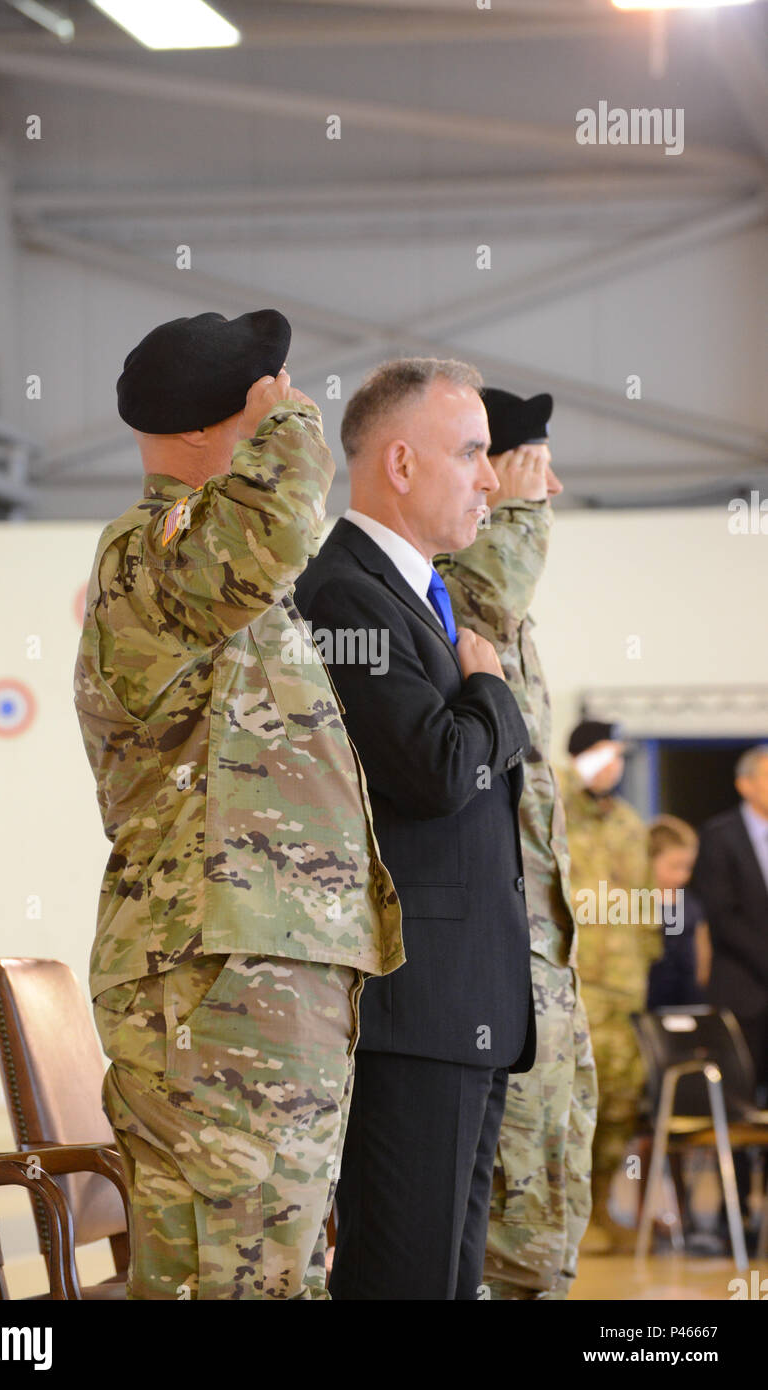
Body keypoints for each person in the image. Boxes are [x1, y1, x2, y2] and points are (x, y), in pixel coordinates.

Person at [73, 310, 404, 1300]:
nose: (281, 408)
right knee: (233, 1276)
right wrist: (295, 420)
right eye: (260, 398)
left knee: (274, 1268)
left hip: (258, 969)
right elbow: (270, 532)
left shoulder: (205, 576)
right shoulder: (157, 552)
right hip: (216, 978)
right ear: (209, 426)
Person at [295, 357, 535, 1300]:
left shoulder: (416, 599)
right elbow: (439, 771)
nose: (489, 477)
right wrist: (489, 689)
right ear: (400, 463)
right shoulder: (344, 596)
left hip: (462, 1009)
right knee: (404, 1281)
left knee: (446, 1279)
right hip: (415, 1009)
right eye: (471, 453)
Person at [438, 387, 598, 1300]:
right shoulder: (458, 593)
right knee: (504, 1237)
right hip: (497, 975)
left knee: (550, 1201)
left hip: (544, 962)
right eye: (533, 471)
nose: (551, 494)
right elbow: (483, 598)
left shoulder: (509, 617)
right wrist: (516, 509)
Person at [559, 721, 659, 1252]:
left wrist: (645, 962)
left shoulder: (627, 822)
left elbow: (645, 904)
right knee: (571, 1104)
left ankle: (599, 1206)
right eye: (603, 754)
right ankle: (564, 1215)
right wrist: (575, 773)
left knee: (620, 1106)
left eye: (619, 756)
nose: (613, 765)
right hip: (574, 987)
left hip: (624, 992)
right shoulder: (557, 803)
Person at [693, 744, 768, 1235]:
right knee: (739, 1106)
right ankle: (734, 1218)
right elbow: (722, 917)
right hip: (744, 995)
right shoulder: (718, 837)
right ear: (745, 784)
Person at [646, 815, 709, 1011]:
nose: (682, 875)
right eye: (674, 867)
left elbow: (702, 952)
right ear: (649, 859)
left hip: (687, 1001)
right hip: (647, 1001)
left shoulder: (690, 904)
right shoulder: (636, 904)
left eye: (687, 867)